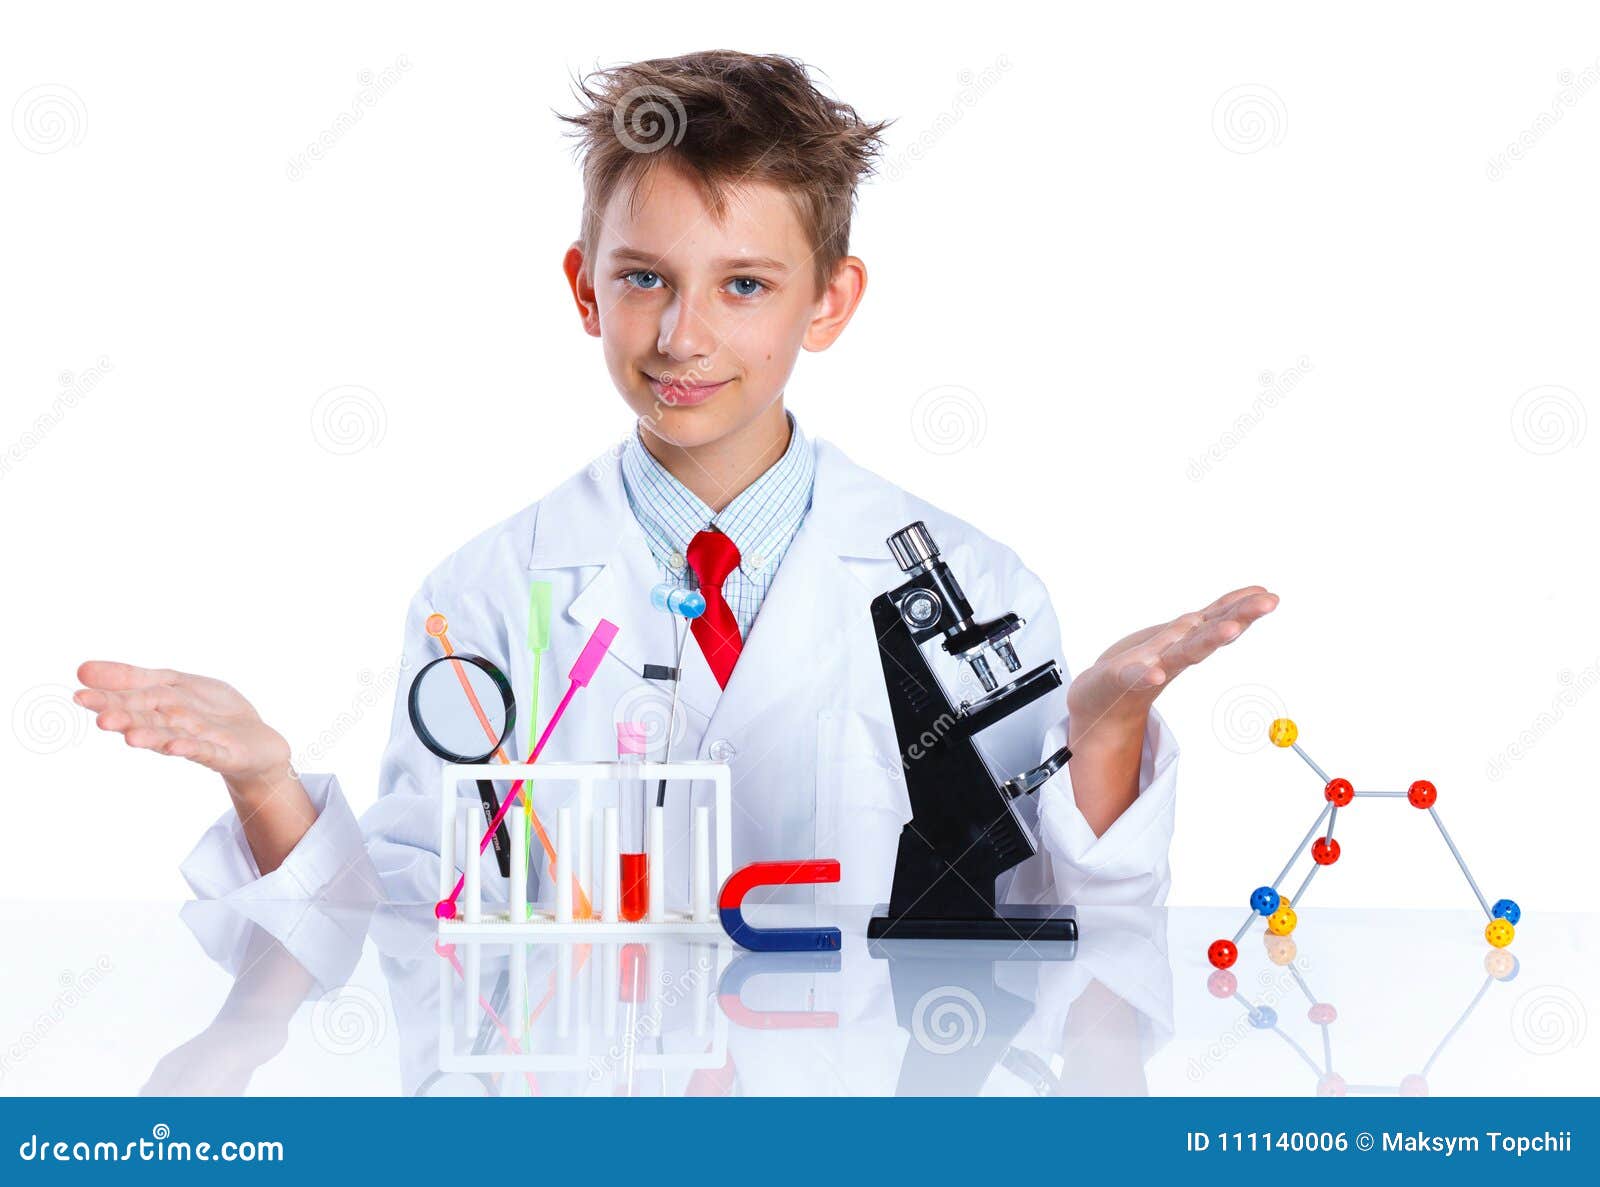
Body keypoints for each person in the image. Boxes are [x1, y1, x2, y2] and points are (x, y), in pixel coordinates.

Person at [73, 50, 1277, 910]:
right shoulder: (485, 592)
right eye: (645, 277)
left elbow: (1070, 935)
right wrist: (268, 781)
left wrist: (1104, 727)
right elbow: (402, 932)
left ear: (831, 301)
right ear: (584, 287)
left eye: (744, 284)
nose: (682, 334)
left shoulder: (974, 581)